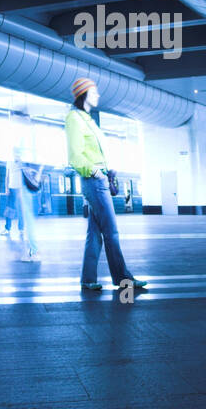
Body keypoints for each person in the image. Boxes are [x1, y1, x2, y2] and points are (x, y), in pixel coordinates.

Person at [65, 78, 146, 294]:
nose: (98, 95)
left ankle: (88, 279)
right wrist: (96, 172)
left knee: (94, 233)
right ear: (83, 94)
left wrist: (107, 169)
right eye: (94, 92)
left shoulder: (88, 119)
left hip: (100, 179)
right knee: (112, 232)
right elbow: (75, 155)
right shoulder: (74, 119)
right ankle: (123, 279)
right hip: (94, 181)